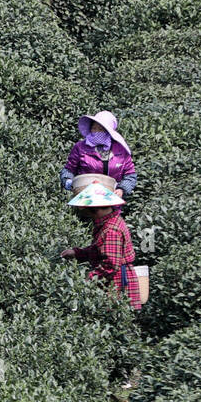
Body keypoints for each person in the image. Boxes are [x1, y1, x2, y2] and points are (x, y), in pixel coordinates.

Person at [60, 182, 142, 310]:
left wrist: (88, 280)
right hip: (114, 279)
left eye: (88, 212)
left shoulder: (111, 230)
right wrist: (77, 253)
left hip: (116, 283)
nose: (88, 215)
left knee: (114, 318)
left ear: (96, 209)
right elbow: (99, 249)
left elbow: (110, 264)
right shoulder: (111, 221)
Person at [59, 110, 137, 204]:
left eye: (100, 129)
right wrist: (68, 181)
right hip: (85, 199)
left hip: (111, 201)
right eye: (94, 128)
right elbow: (69, 169)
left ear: (108, 132)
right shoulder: (81, 147)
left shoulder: (121, 150)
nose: (96, 132)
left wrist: (122, 189)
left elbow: (130, 175)